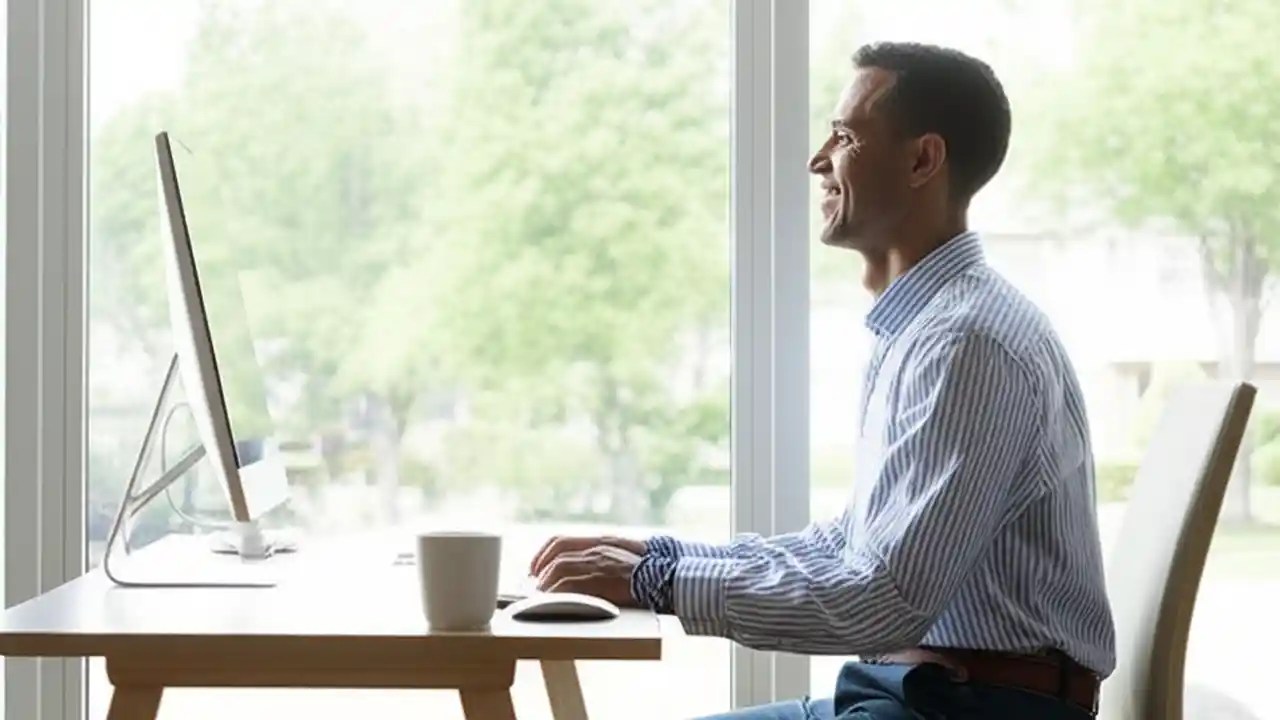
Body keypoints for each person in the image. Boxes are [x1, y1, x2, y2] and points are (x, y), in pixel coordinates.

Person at [528, 41, 1115, 719]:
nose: (818, 160)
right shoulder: (924, 329)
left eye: (844, 137)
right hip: (920, 695)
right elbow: (847, 548)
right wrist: (661, 558)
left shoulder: (968, 343)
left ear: (922, 160)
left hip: (969, 710)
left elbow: (882, 598)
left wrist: (659, 583)